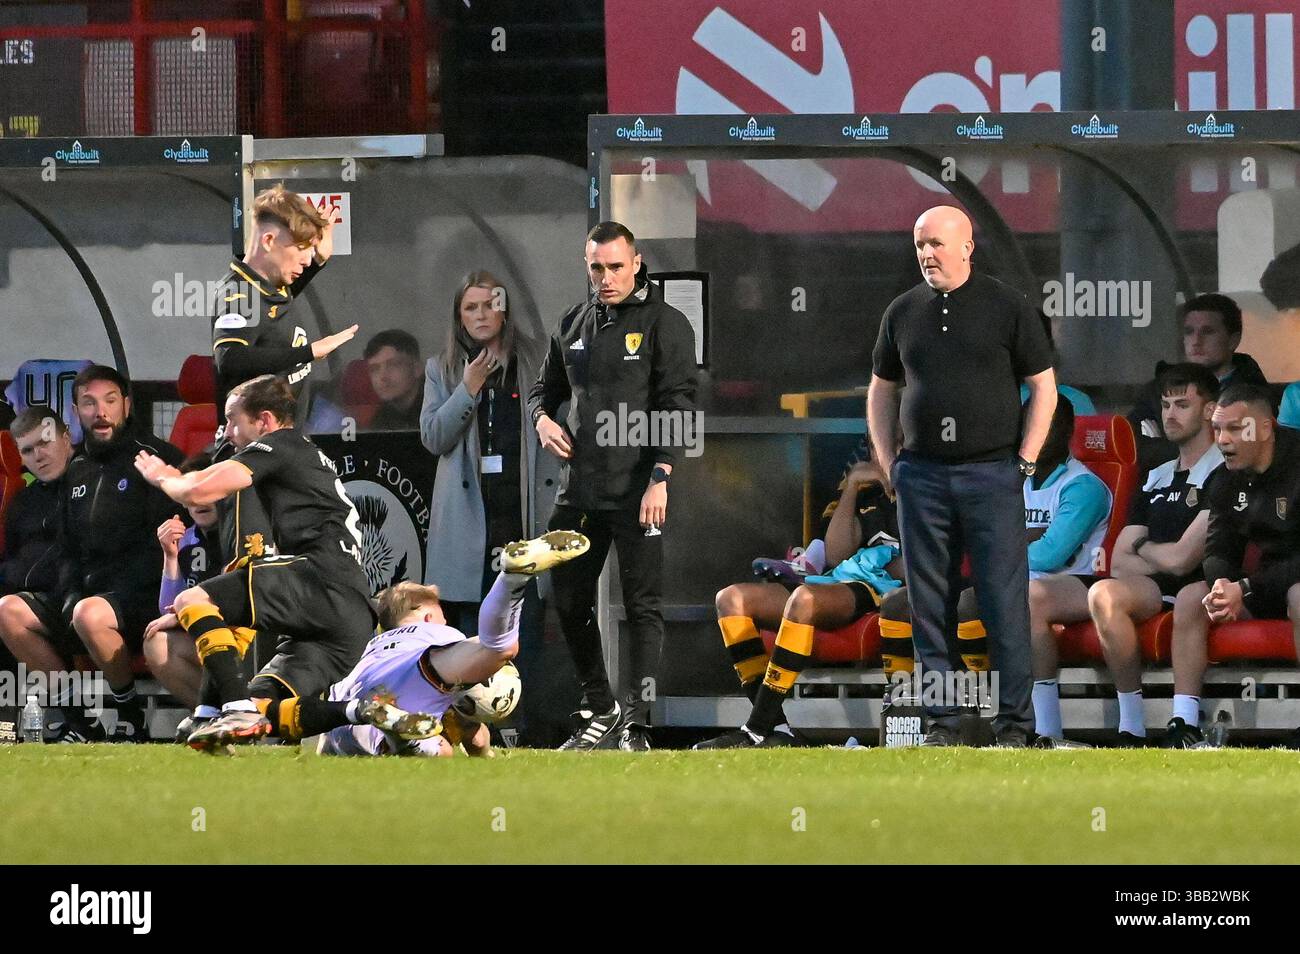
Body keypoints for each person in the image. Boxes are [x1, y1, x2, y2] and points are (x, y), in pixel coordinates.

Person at [869, 205, 1056, 747]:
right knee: (930, 605)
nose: (927, 254)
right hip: (922, 476)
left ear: (967, 246)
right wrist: (890, 462)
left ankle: (1016, 727)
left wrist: (1024, 460)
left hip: (991, 471)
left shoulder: (1006, 305)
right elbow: (883, 387)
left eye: (936, 244)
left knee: (1002, 602)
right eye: (920, 244)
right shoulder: (902, 311)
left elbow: (1043, 385)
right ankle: (941, 726)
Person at [134, 374, 377, 750]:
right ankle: (364, 712)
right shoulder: (299, 453)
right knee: (266, 701)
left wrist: (164, 479)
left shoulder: (279, 444)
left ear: (264, 421)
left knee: (191, 600)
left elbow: (201, 489)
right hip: (351, 612)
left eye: (233, 420)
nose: (227, 431)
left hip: (322, 579)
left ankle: (233, 707)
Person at [528, 221, 698, 751]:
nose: (606, 277)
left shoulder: (665, 323)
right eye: (596, 267)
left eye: (616, 267)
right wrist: (541, 419)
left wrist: (662, 477)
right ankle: (601, 708)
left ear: (637, 262)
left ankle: (639, 724)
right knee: (566, 596)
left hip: (638, 488)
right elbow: (543, 388)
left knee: (642, 604)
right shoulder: (574, 323)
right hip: (580, 491)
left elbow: (679, 406)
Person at [319, 531, 590, 757]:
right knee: (498, 649)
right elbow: (479, 741)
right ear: (427, 616)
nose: (445, 620)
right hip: (419, 667)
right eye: (441, 615)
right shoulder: (432, 635)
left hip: (347, 716)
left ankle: (399, 733)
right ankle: (512, 579)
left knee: (428, 746)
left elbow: (323, 747)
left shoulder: (370, 647)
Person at [696, 460, 902, 748]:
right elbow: (835, 555)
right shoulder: (870, 499)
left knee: (802, 599)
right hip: (834, 580)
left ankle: (755, 729)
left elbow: (918, 566)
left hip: (878, 589)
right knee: (731, 599)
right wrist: (853, 488)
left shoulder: (925, 492)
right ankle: (777, 729)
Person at [1085, 364, 1223, 745]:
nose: (1169, 415)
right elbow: (1118, 561)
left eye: (1182, 404)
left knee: (1190, 594)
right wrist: (1154, 553)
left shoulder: (1223, 471)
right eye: (1165, 405)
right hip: (1152, 587)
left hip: (1207, 586)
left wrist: (1145, 548)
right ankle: (1131, 726)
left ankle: (1184, 723)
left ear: (1210, 410)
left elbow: (1185, 561)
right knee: (1103, 593)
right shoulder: (1156, 473)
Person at [46, 367, 185, 741]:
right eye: (89, 403)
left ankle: (129, 715)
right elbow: (66, 549)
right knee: (9, 611)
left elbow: (180, 540)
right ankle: (78, 720)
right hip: (87, 595)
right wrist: (70, 592)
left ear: (126, 404)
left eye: (110, 401)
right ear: (76, 410)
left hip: (144, 597)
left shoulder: (156, 459)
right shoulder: (74, 467)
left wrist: (90, 600)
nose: (100, 412)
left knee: (88, 614)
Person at [1166, 382, 1300, 748]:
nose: (1223, 440)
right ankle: (1183, 723)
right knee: (1193, 597)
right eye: (1218, 429)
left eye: (1236, 429)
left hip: (1291, 583)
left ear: (1267, 427)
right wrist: (1223, 586)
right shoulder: (1224, 478)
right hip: (1262, 585)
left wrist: (1246, 589)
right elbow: (1218, 548)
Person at [210, 184, 357, 433]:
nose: (306, 258)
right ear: (268, 241)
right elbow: (229, 357)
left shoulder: (270, 286)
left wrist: (318, 261)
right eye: (301, 249)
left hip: (287, 440)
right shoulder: (239, 294)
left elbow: (272, 313)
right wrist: (308, 352)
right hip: (255, 445)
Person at [0, 409, 78, 737]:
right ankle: (6, 725)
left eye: (44, 443)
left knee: (6, 611)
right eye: (28, 450)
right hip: (31, 599)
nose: (38, 456)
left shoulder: (90, 484)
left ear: (66, 438)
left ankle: (78, 715)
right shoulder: (24, 501)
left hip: (76, 600)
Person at [1128, 294, 1267, 472]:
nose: (1196, 341)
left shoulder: (1255, 394)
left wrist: (1165, 444)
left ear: (1233, 340)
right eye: (1189, 331)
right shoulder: (1159, 387)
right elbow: (1126, 442)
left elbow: (1241, 451)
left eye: (1208, 331)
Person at [142, 454, 221, 710]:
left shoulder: (243, 531)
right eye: (191, 494)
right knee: (157, 643)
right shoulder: (187, 539)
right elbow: (167, 606)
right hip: (205, 635)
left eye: (206, 491)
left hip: (250, 636)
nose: (199, 501)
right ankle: (212, 718)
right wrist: (171, 555)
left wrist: (179, 616)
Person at [364, 330, 424, 430]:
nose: (383, 376)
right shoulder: (383, 417)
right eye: (374, 369)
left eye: (393, 364)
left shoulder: (439, 410)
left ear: (417, 368)